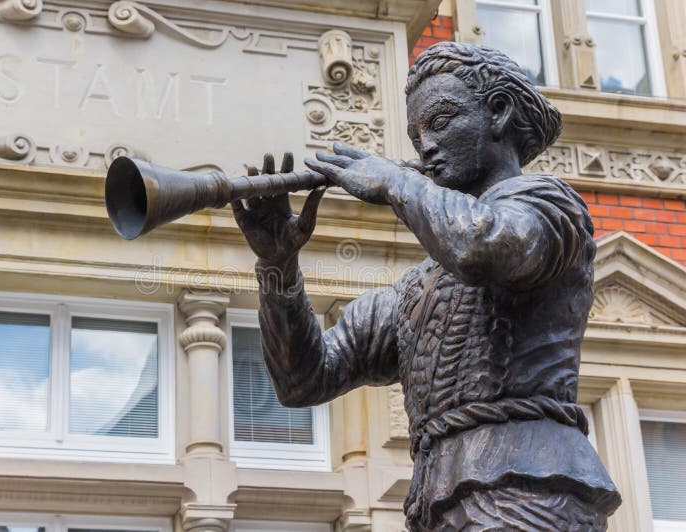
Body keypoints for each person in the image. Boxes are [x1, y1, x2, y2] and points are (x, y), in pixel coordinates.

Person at [231, 41, 621, 531]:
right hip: (439, 506)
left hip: (529, 493)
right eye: (416, 137)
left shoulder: (548, 205)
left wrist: (396, 183)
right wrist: (278, 264)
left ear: (498, 112)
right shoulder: (415, 289)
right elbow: (303, 379)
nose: (426, 147)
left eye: (441, 122)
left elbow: (482, 246)